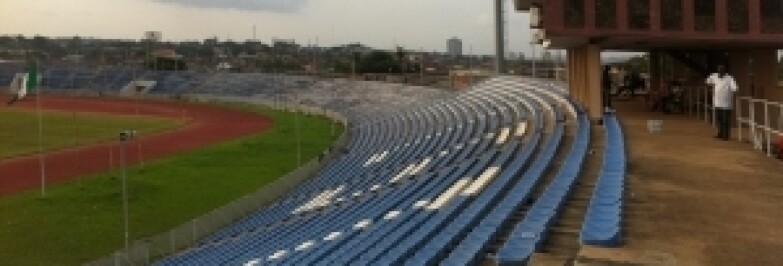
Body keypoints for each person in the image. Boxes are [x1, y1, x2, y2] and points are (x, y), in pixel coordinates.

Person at [705, 65, 738, 141]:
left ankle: (726, 135)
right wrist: (711, 88)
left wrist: (732, 93)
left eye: (721, 71)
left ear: (724, 71)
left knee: (725, 120)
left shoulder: (729, 78)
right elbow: (707, 82)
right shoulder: (714, 76)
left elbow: (735, 88)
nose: (720, 73)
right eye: (719, 71)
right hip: (717, 102)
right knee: (719, 119)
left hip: (726, 104)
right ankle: (720, 133)